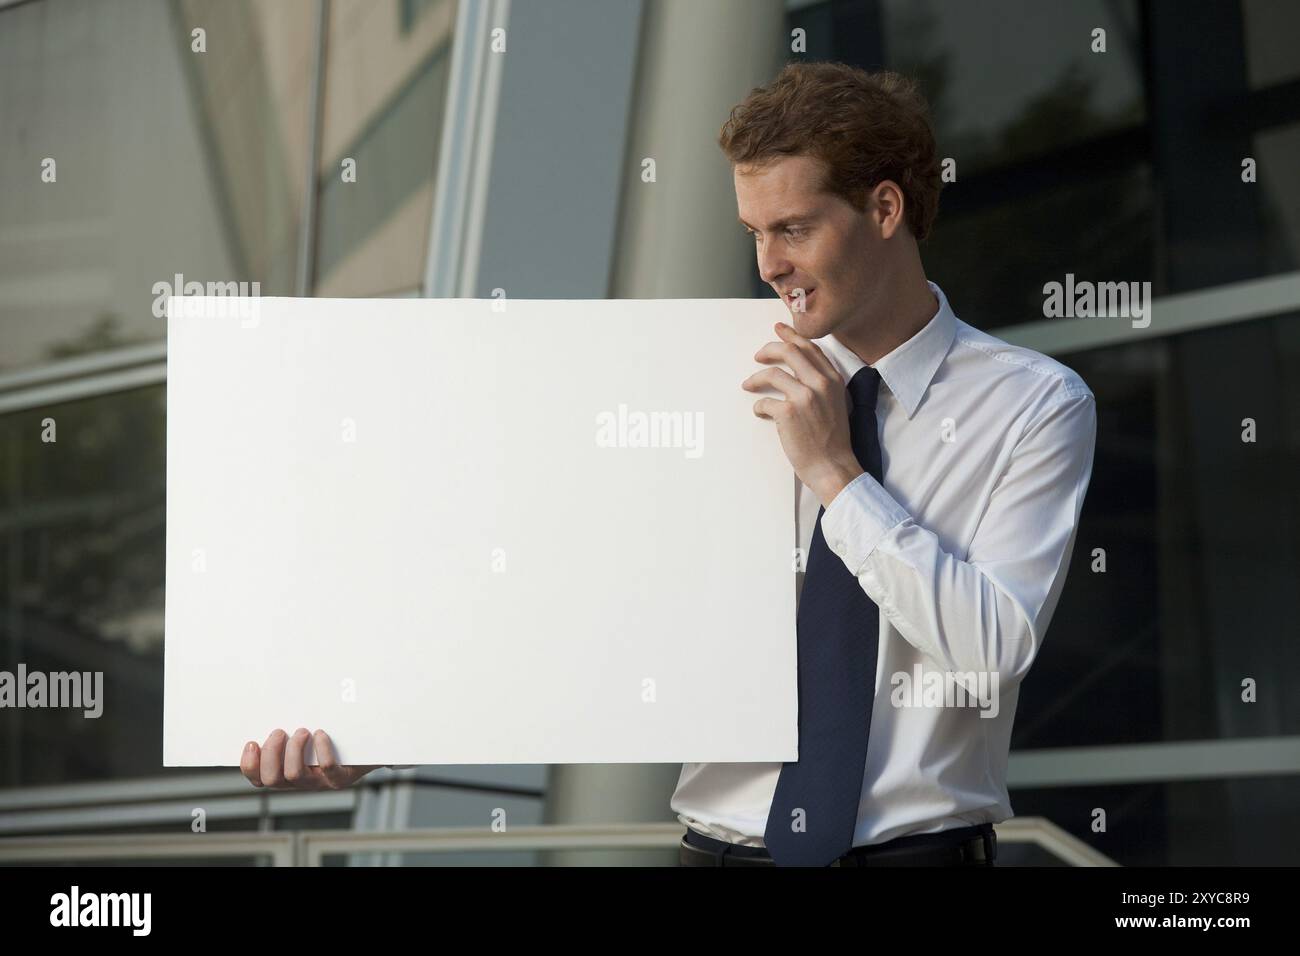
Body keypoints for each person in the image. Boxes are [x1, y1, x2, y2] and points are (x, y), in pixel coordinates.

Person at [242, 61, 1098, 869]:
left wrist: (837, 475)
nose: (769, 266)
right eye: (756, 233)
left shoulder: (1034, 404)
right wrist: (381, 736)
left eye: (793, 228)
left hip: (923, 855)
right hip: (717, 850)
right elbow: (584, 605)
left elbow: (992, 651)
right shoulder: (710, 382)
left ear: (883, 209)